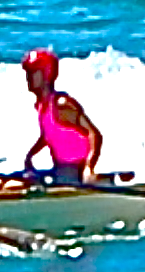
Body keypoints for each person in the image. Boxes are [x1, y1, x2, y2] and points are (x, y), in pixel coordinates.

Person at [20, 48, 103, 185]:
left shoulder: (62, 105)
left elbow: (94, 135)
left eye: (34, 72)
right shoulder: (42, 106)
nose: (28, 76)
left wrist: (88, 168)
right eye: (28, 72)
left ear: (47, 74)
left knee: (16, 185)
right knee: (8, 181)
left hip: (74, 172)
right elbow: (48, 136)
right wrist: (30, 156)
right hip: (59, 169)